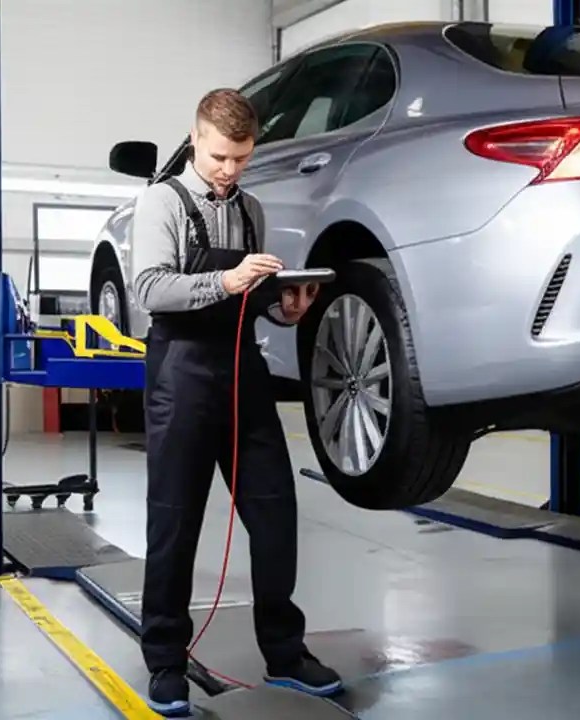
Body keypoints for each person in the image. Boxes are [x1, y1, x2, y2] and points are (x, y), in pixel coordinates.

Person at [127, 88, 339, 717]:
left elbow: (256, 298)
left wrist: (285, 306)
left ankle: (285, 650)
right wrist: (226, 278)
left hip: (244, 371)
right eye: (221, 156)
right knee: (175, 522)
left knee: (275, 514)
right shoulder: (159, 203)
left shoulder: (251, 210)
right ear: (196, 141)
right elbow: (148, 290)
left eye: (242, 159)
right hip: (181, 375)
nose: (230, 170)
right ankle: (166, 661)